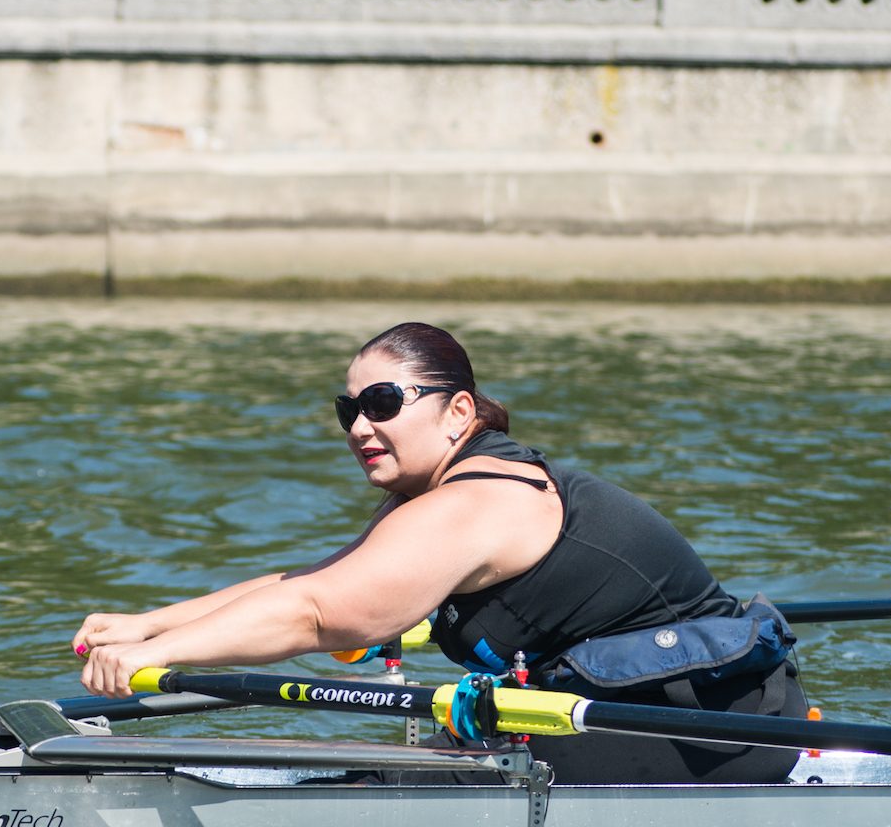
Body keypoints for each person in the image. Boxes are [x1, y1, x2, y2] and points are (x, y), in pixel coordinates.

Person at [73, 322, 807, 784]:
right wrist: (148, 625)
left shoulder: (477, 501)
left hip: (716, 734)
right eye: (348, 408)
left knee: (387, 788)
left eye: (384, 401)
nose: (360, 424)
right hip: (621, 715)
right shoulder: (431, 495)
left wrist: (162, 658)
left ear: (458, 410)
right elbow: (310, 579)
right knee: (400, 773)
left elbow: (323, 614)